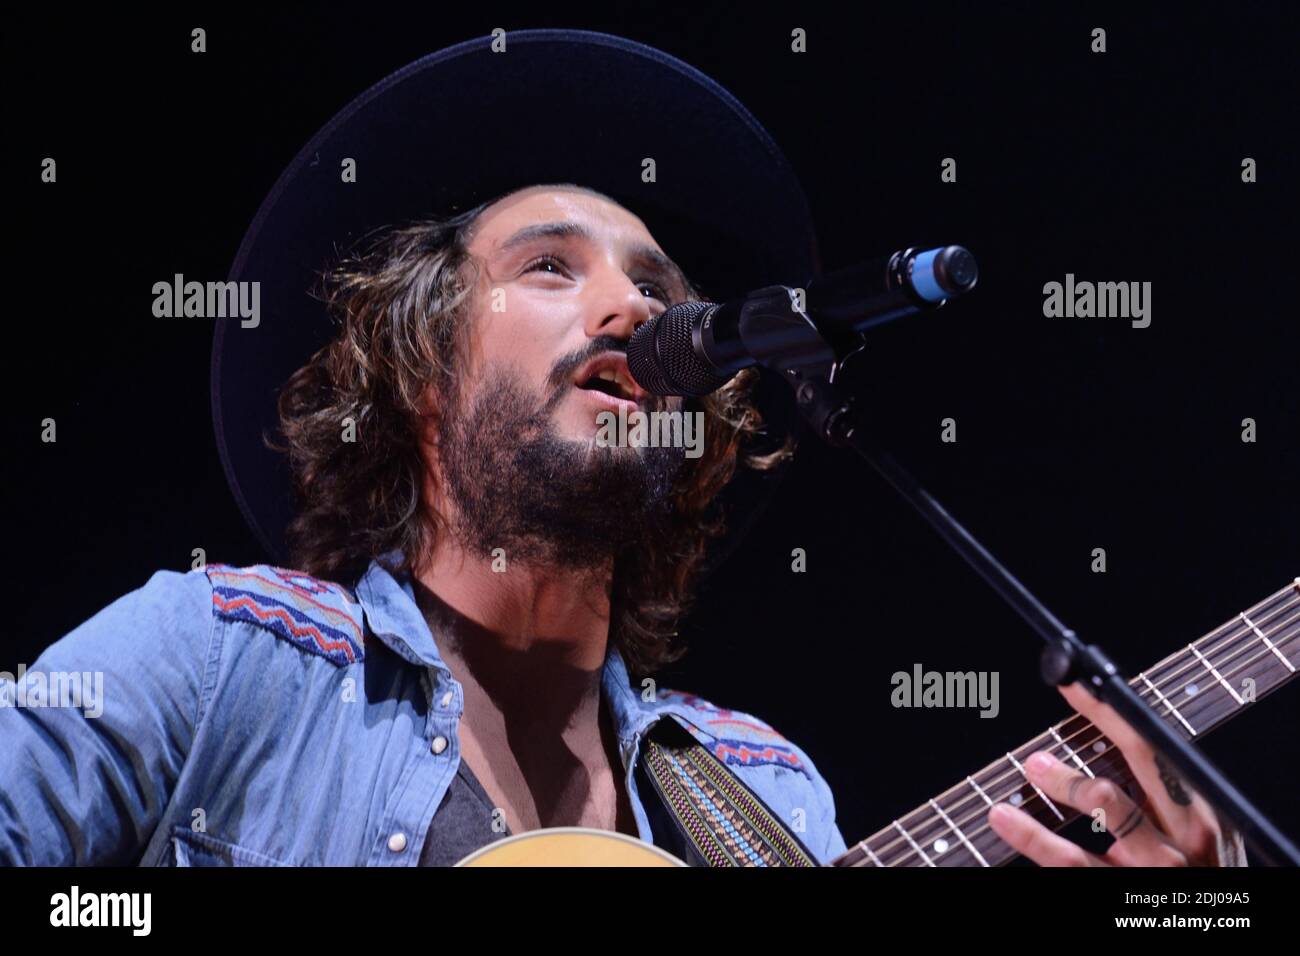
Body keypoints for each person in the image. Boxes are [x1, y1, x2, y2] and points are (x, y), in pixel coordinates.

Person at [0, 32, 1248, 868]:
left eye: (656, 286)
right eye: (553, 266)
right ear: (419, 368)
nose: (633, 310)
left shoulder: (767, 794)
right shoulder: (224, 655)